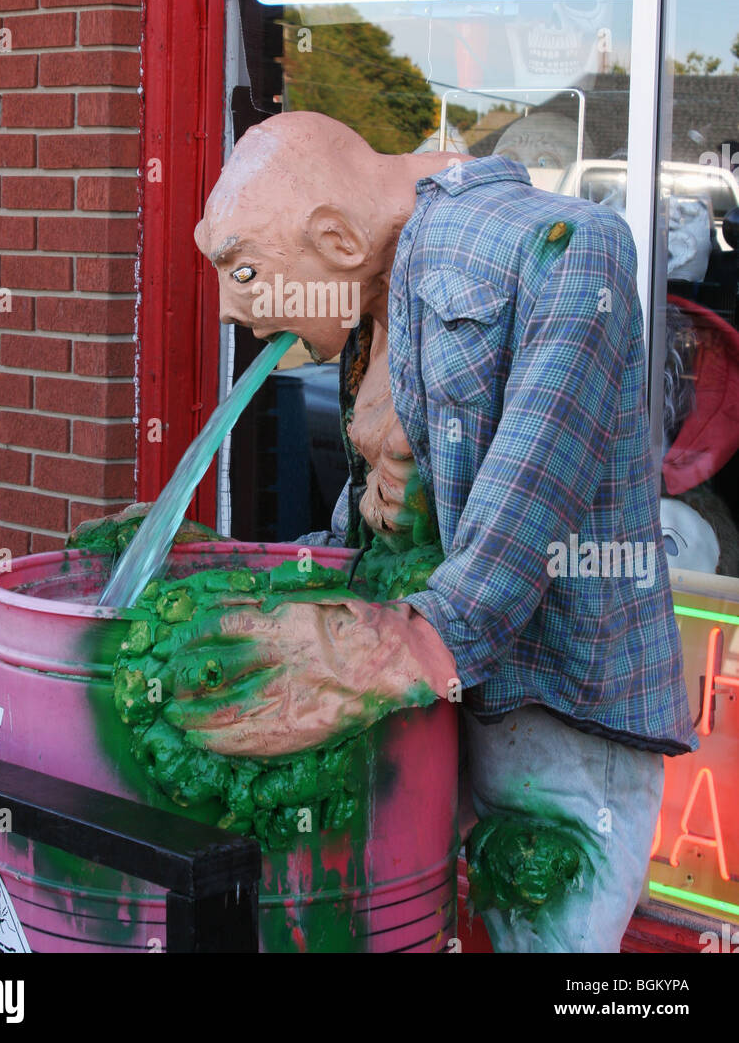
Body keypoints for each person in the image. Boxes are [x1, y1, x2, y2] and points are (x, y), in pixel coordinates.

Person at [166, 110, 698, 951]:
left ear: (335, 239)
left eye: (245, 271)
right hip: (427, 706)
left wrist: (387, 651)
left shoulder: (558, 247)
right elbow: (381, 524)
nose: (240, 313)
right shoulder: (371, 301)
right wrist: (217, 566)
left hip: (548, 710)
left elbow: (531, 491)